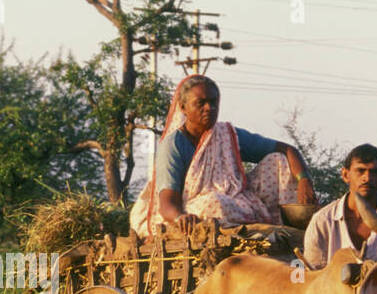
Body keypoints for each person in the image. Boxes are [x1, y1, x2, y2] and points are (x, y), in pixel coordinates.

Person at [130, 74, 316, 237]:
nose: (209, 108)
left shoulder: (227, 134)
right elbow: (167, 203)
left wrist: (304, 180)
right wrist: (180, 218)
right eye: (200, 103)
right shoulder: (173, 144)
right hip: (193, 209)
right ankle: (253, 223)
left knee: (279, 161)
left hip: (237, 201)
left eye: (213, 102)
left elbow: (287, 150)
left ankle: (285, 227)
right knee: (216, 203)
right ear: (183, 107)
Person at [302, 143, 377, 269]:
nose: (367, 178)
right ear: (345, 175)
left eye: (374, 172)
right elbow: (312, 274)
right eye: (360, 171)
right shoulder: (323, 221)